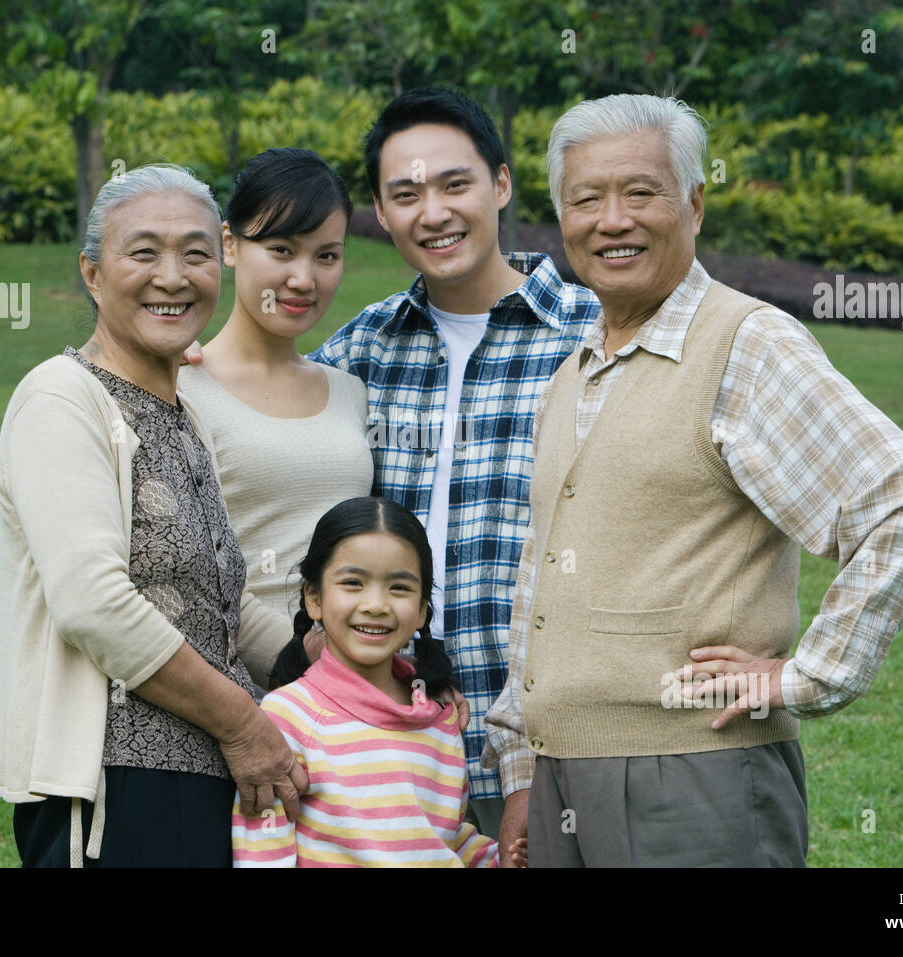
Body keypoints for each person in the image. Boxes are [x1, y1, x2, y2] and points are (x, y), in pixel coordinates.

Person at [483, 94, 903, 866]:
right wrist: (528, 772)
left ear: (694, 205)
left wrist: (808, 676)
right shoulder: (573, 373)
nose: (613, 219)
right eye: (586, 198)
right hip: (566, 778)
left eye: (641, 192)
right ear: (560, 218)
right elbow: (542, 582)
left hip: (693, 779)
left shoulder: (745, 343)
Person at [304, 87, 604, 859]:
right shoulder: (364, 349)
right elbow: (266, 430)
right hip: (389, 743)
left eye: (454, 184)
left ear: (501, 185)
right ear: (380, 209)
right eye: (405, 194)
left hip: (551, 747)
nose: (432, 212)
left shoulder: (590, 333)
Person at [0, 163, 308, 867]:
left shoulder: (184, 412)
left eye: (195, 253)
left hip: (208, 783)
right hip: (112, 790)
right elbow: (93, 603)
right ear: (93, 273)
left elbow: (223, 601)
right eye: (144, 252)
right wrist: (245, 723)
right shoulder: (61, 399)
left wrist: (333, 662)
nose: (173, 276)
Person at [231, 496, 524, 867]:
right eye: (353, 582)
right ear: (314, 598)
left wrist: (503, 859)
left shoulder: (441, 716)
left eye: (399, 588)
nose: (376, 604)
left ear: (421, 610)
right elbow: (263, 847)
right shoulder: (287, 714)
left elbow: (443, 834)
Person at [178, 148, 373, 620]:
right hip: (233, 675)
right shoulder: (179, 386)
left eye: (326, 256)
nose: (303, 279)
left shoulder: (350, 392)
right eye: (282, 250)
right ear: (229, 243)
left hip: (346, 679)